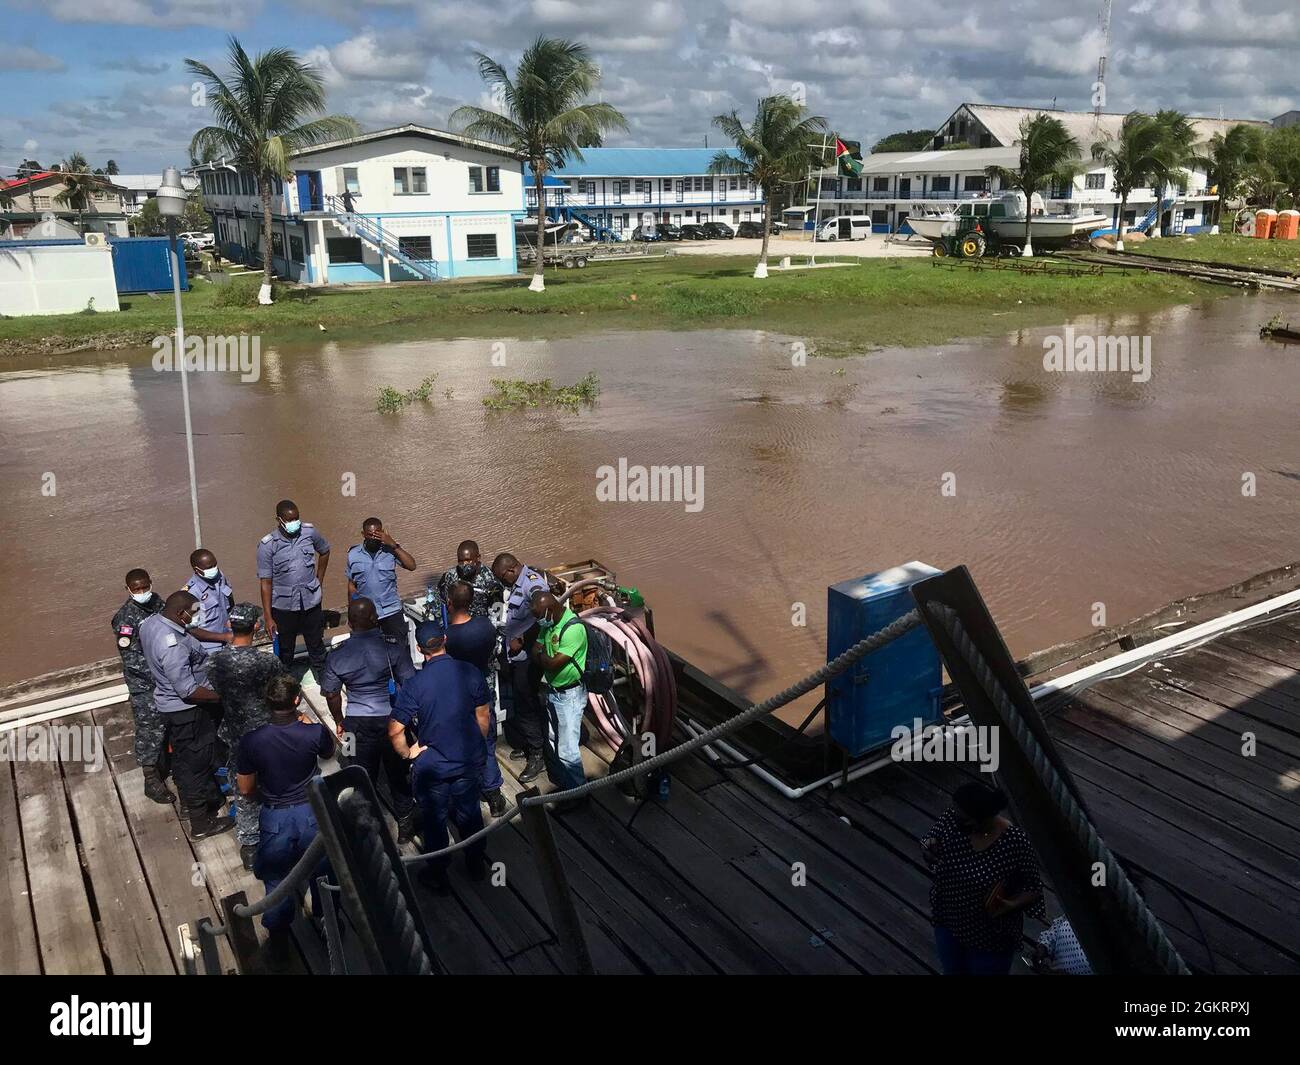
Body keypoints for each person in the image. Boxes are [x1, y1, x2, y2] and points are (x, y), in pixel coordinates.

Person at [236, 673, 335, 966]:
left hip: (275, 815)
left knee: (276, 877)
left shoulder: (252, 741)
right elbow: (329, 751)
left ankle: (278, 937)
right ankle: (330, 923)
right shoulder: (313, 733)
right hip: (311, 813)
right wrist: (307, 723)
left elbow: (245, 788)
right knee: (324, 872)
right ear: (297, 700)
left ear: (268, 703)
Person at [389, 619, 491, 893]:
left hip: (433, 764)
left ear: (421, 650)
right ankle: (476, 863)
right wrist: (474, 743)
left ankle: (439, 874)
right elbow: (483, 715)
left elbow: (395, 730)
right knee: (470, 813)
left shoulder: (415, 684)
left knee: (434, 820)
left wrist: (408, 753)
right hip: (467, 759)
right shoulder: (470, 672)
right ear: (445, 640)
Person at [920, 781, 1045, 975]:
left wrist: (1011, 905)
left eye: (965, 819)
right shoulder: (954, 818)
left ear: (982, 818)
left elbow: (1034, 888)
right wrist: (929, 847)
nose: (957, 820)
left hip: (989, 934)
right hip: (948, 919)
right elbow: (930, 839)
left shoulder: (1015, 841)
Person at [319, 597, 418, 842]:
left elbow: (332, 694)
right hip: (391, 721)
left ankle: (367, 830)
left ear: (350, 623)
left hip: (355, 724)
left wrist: (339, 720)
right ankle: (405, 825)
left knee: (358, 774)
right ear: (375, 619)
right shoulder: (392, 646)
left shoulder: (336, 656)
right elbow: (409, 682)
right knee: (398, 773)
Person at [139, 590, 232, 839]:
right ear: (180, 614)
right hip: (187, 712)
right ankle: (201, 823)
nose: (196, 616)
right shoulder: (172, 645)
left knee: (182, 760)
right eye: (193, 613)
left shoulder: (151, 624)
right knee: (196, 765)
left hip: (170, 705)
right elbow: (188, 690)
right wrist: (222, 697)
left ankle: (197, 804)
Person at [207, 603, 288, 870]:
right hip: (267, 733)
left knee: (243, 791)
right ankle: (283, 832)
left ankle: (250, 845)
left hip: (235, 734)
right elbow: (283, 690)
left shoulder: (216, 662)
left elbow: (215, 689)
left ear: (230, 625)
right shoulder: (266, 662)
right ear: (256, 626)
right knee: (277, 782)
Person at [111, 568, 173, 804]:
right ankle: (151, 779)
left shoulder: (158, 603)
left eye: (145, 587)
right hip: (144, 684)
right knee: (150, 728)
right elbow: (131, 658)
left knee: (172, 723)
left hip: (167, 676)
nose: (142, 592)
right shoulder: (125, 618)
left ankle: (171, 764)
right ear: (128, 589)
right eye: (136, 589)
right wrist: (160, 672)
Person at [445, 580, 506, 817]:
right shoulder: (485, 627)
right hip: (483, 689)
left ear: (449, 603)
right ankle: (495, 796)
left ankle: (470, 789)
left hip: (460, 698)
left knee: (463, 745)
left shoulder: (448, 637)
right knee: (487, 743)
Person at [490, 552, 548, 783]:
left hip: (527, 656)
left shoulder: (533, 584)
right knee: (522, 701)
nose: (501, 582)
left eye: (502, 577)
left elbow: (544, 611)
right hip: (514, 656)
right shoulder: (516, 583)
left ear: (512, 570)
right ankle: (530, 743)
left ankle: (537, 754)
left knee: (526, 704)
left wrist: (523, 637)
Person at [257, 499, 331, 678]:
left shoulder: (309, 532)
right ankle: (287, 689)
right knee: (285, 651)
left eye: (296, 518)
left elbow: (325, 550)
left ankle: (325, 681)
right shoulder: (268, 546)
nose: (294, 523)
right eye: (289, 520)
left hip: (311, 601)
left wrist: (318, 580)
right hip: (283, 607)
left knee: (316, 645)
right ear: (279, 519)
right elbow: (265, 582)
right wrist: (268, 617)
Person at [530, 589, 588, 807]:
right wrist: (543, 657)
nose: (538, 621)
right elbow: (536, 651)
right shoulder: (548, 622)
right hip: (553, 692)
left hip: (570, 695)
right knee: (554, 739)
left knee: (568, 749)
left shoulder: (573, 629)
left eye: (539, 617)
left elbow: (551, 663)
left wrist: (543, 657)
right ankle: (566, 785)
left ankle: (579, 795)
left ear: (551, 609)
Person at [346, 517, 416, 641]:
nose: (373, 538)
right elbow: (352, 586)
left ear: (383, 532)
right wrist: (352, 613)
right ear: (363, 534)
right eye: (370, 535)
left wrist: (394, 545)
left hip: (392, 612)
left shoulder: (390, 550)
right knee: (374, 654)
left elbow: (412, 566)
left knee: (399, 651)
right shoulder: (353, 555)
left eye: (377, 534)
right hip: (368, 615)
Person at [434, 541, 503, 619]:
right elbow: (440, 601)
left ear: (478, 558)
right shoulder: (450, 576)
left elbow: (497, 611)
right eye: (460, 561)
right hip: (456, 623)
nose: (464, 565)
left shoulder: (490, 580)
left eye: (468, 561)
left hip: (481, 625)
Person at [184, 548, 234, 654]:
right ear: (196, 570)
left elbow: (230, 600)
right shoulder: (193, 593)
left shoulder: (219, 577)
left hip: (229, 640)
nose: (214, 569)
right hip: (210, 648)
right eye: (209, 567)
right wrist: (223, 637)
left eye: (215, 565)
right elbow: (192, 629)